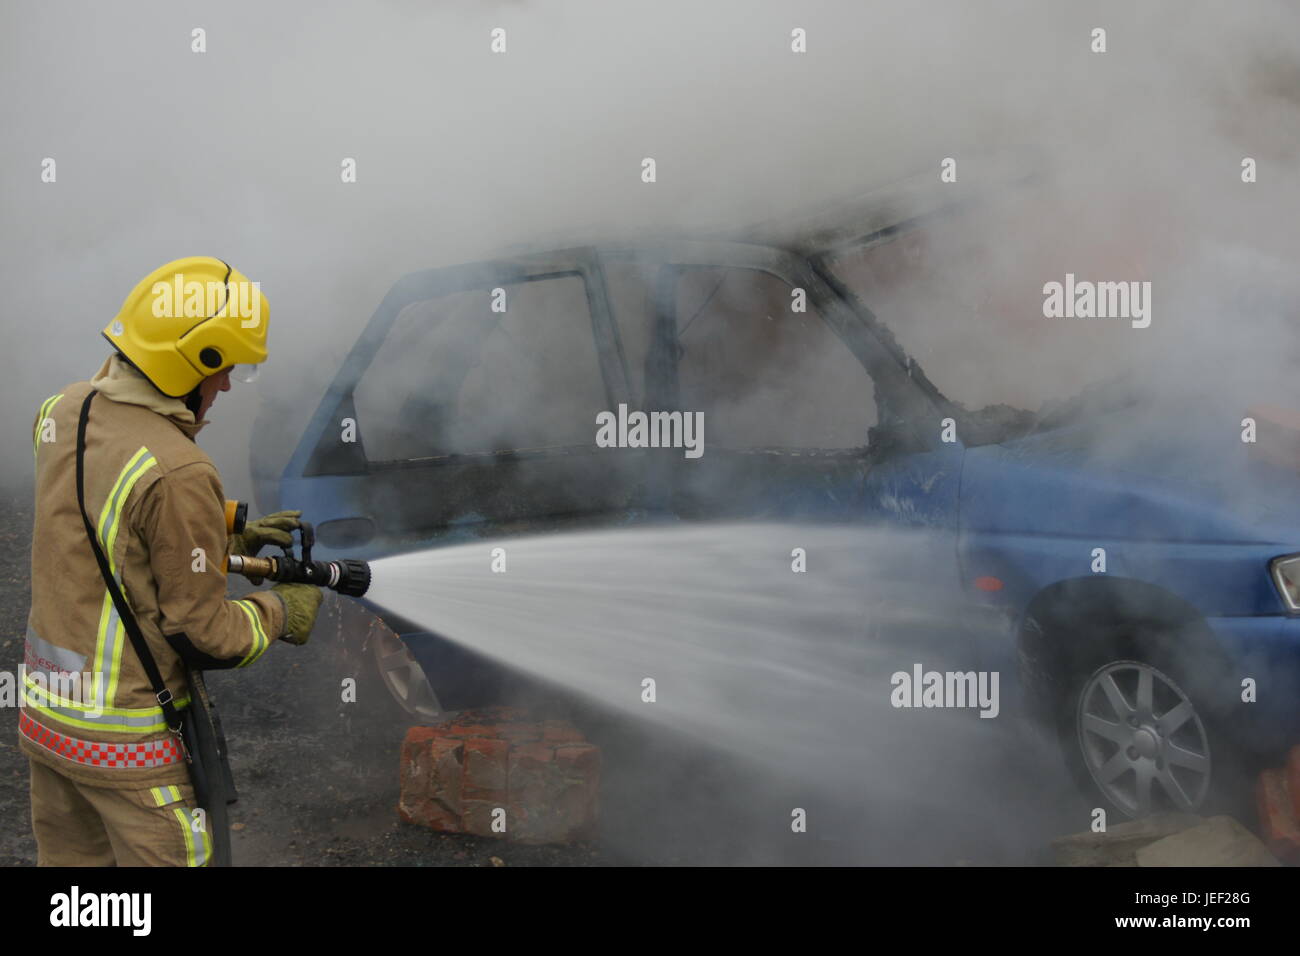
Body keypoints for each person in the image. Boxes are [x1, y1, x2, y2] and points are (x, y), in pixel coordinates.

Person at [22, 256, 323, 866]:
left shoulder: (62, 411)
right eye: (227, 368)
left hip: (48, 722)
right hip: (128, 750)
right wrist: (276, 612)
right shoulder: (181, 470)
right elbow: (203, 634)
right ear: (193, 364)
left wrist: (223, 528)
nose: (230, 386)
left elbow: (99, 519)